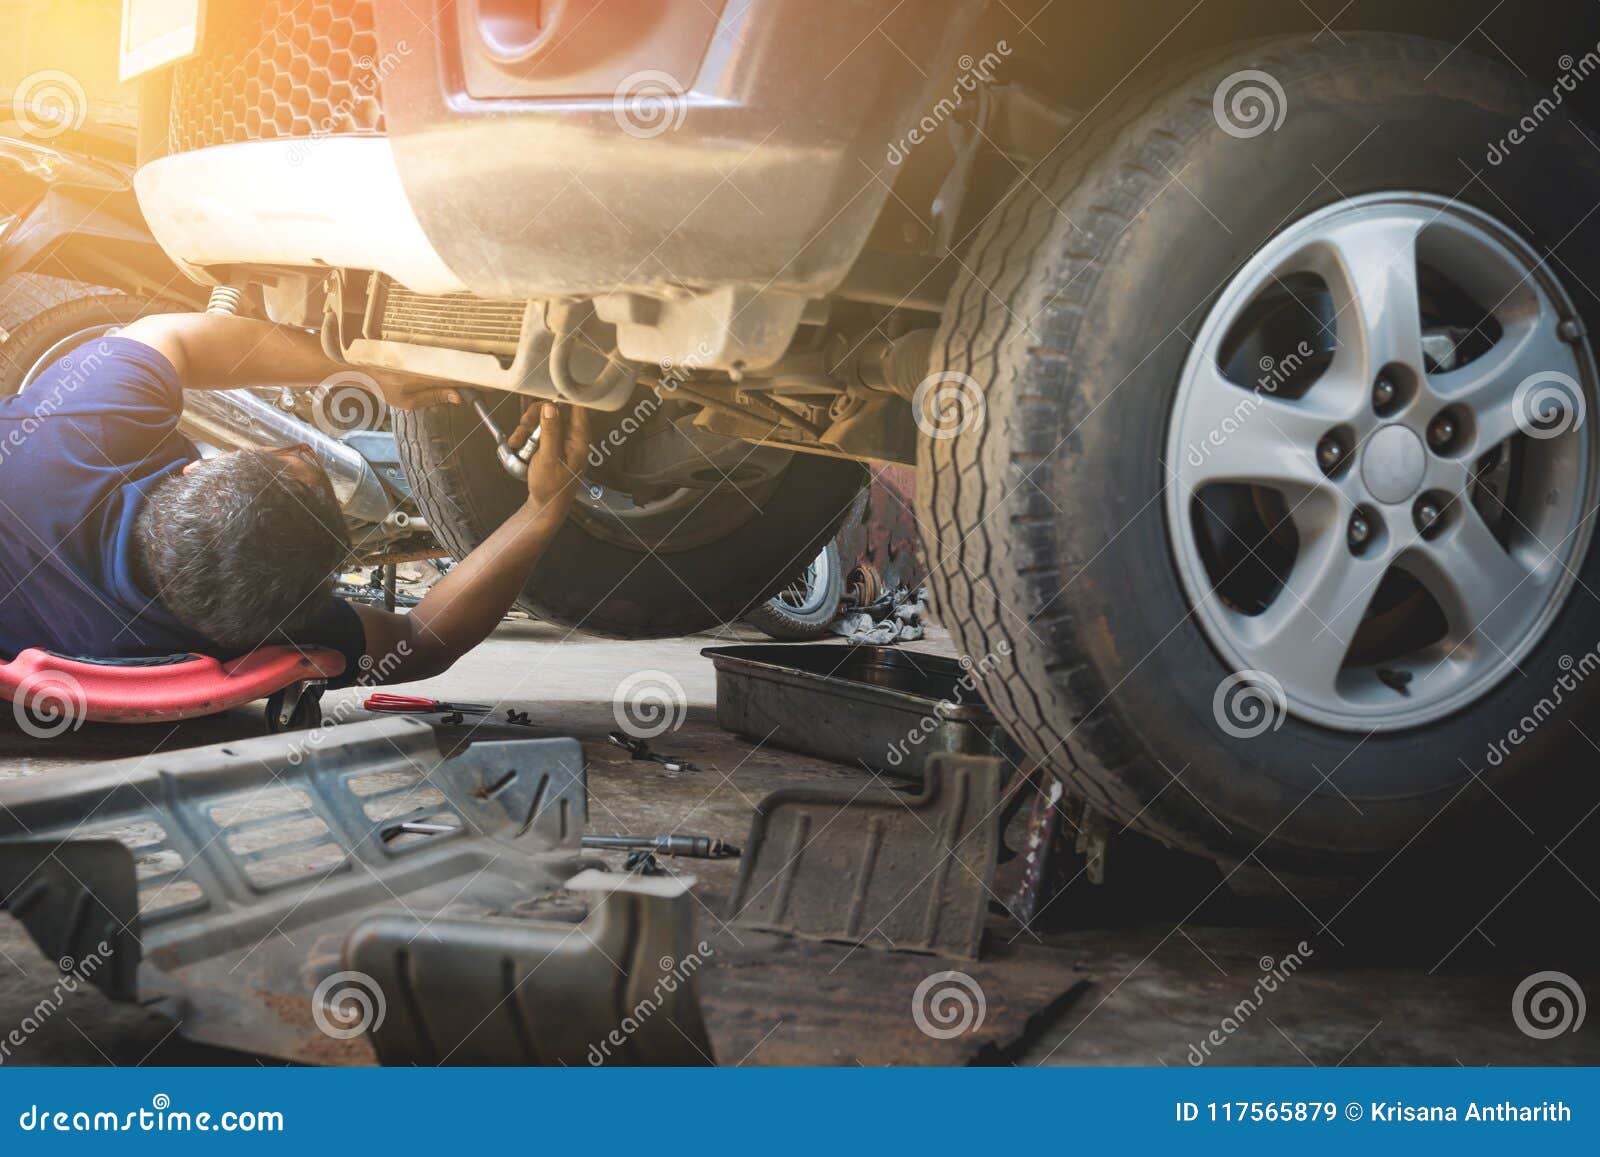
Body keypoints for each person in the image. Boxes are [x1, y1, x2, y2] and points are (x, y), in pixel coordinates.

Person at [0, 310, 590, 689]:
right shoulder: (222, 637)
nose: (303, 451)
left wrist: (359, 364)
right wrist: (542, 511)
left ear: (196, 469)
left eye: (283, 457)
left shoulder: (71, 437)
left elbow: (172, 334)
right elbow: (415, 644)